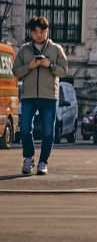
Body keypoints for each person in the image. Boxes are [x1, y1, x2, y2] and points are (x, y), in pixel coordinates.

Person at [18, 16, 69, 176]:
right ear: (31, 33)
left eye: (42, 31)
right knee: (25, 129)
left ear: (47, 31)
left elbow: (64, 71)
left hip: (49, 96)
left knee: (48, 132)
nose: (39, 35)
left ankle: (43, 162)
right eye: (35, 32)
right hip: (28, 96)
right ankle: (28, 157)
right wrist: (30, 66)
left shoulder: (56, 49)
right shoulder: (24, 50)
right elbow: (15, 71)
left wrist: (50, 65)